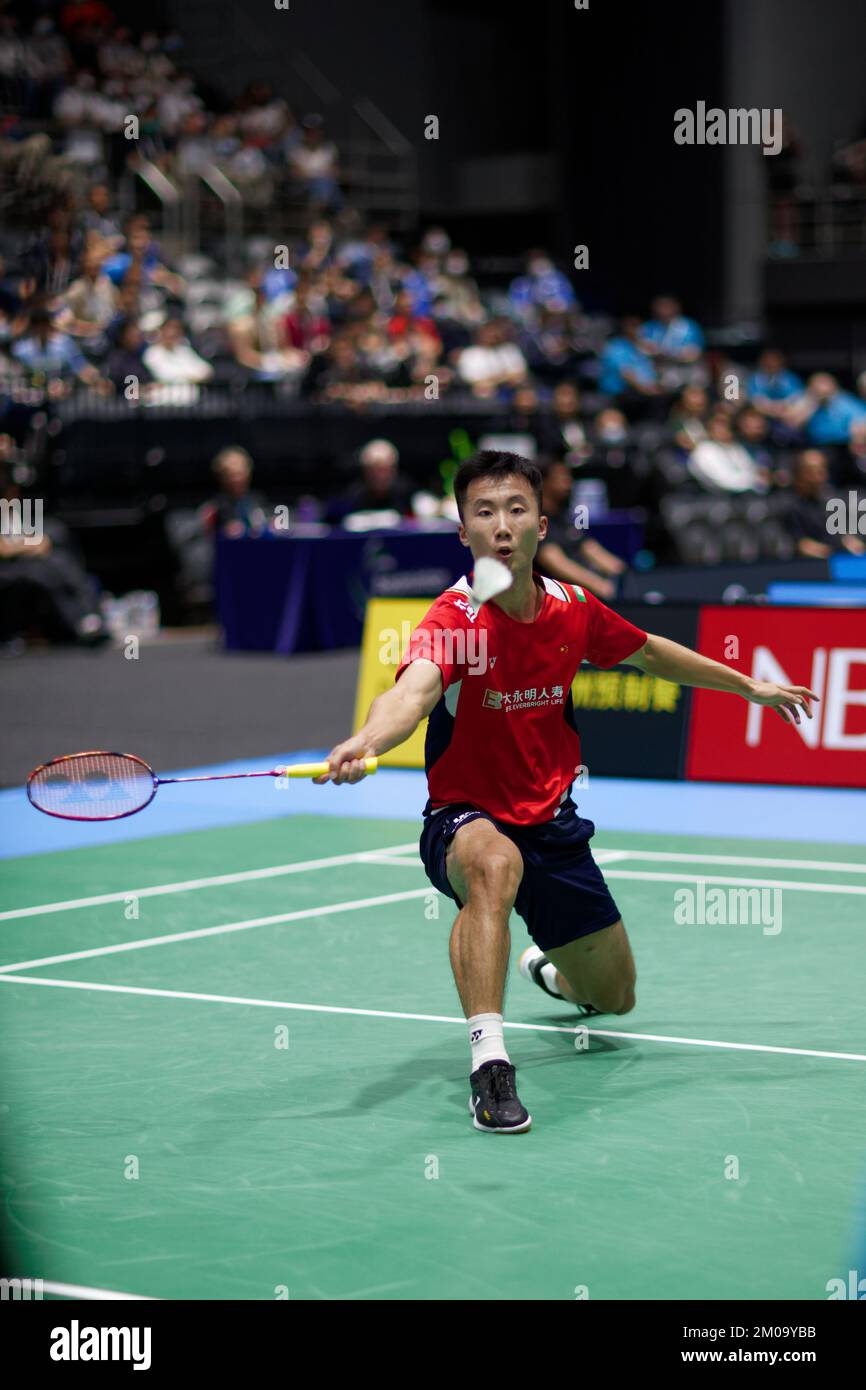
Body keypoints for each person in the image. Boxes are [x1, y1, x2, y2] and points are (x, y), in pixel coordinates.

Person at [313, 450, 817, 1133]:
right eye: (484, 512)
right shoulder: (454, 621)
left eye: (515, 509)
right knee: (495, 867)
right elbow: (414, 690)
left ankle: (548, 971)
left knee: (616, 999)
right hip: (467, 818)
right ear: (463, 532)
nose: (501, 526)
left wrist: (747, 684)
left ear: (541, 525)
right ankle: (490, 1066)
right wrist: (367, 741)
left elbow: (648, 651)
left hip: (551, 823)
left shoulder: (571, 608)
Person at [534, 457, 625, 600]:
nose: (568, 482)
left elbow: (588, 546)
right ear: (544, 482)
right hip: (556, 600)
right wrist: (600, 586)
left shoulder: (565, 516)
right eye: (562, 477)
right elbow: (556, 563)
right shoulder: (534, 521)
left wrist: (621, 572)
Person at [323, 438, 414, 524]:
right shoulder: (349, 498)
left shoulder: (407, 495)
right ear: (365, 470)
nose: (380, 476)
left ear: (394, 469)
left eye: (385, 469)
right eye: (374, 469)